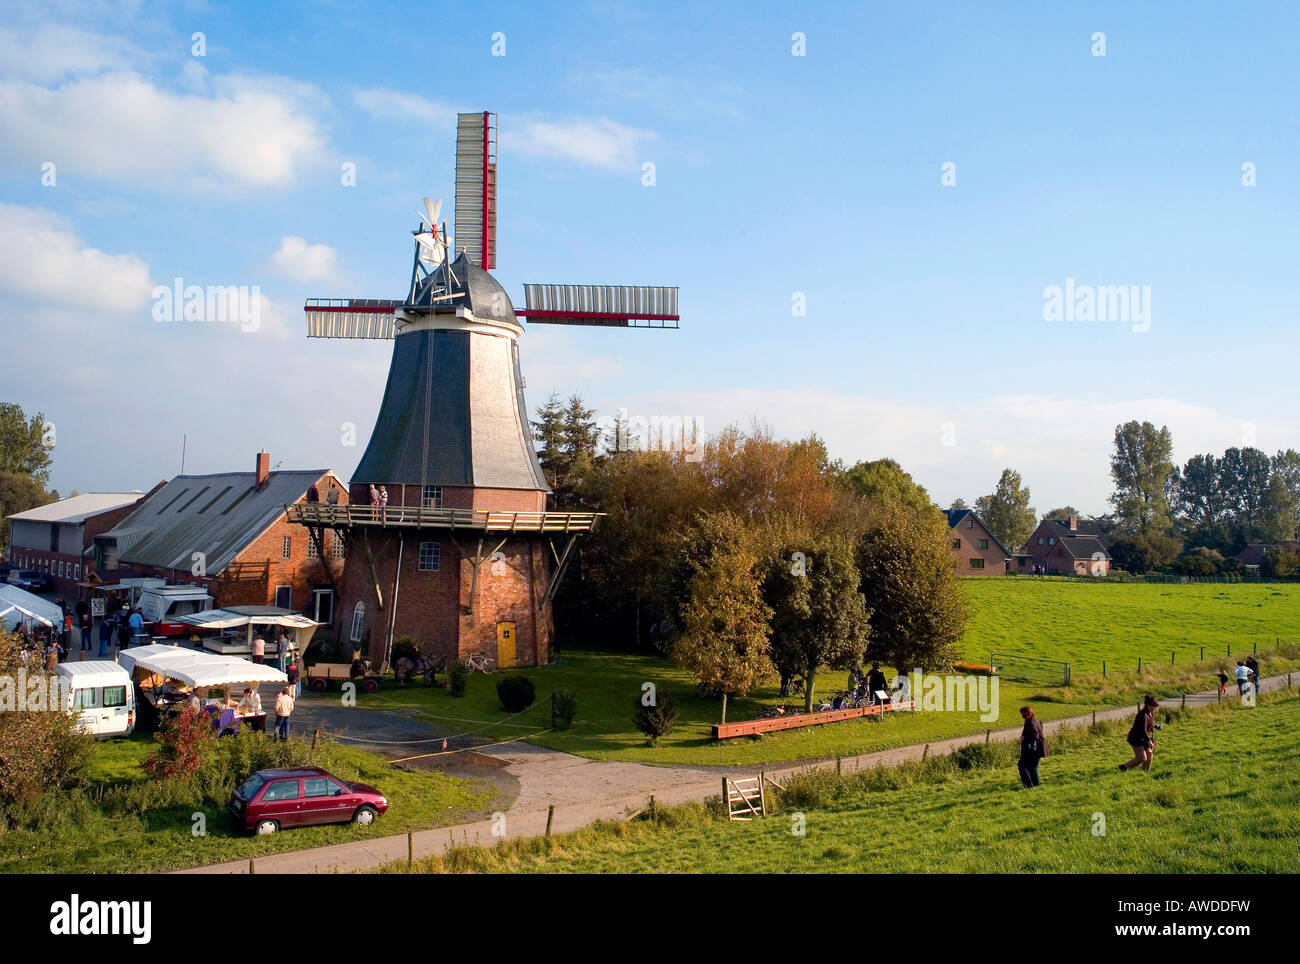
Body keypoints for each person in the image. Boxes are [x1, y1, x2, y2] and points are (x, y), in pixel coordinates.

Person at [1118, 694, 1162, 773]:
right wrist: (1149, 741)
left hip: (1143, 737)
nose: (1155, 709)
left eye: (1156, 707)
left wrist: (1155, 726)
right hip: (1136, 738)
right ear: (1148, 705)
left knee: (1150, 755)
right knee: (1142, 758)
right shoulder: (1143, 715)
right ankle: (1123, 767)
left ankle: (1144, 773)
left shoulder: (1150, 713)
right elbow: (1143, 730)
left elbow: (1149, 724)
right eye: (1153, 707)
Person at [1018, 706, 1047, 788]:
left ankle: (1029, 785)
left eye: (1023, 713)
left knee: (1023, 765)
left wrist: (1024, 738)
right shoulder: (1032, 720)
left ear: (1027, 712)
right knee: (1032, 768)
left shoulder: (1031, 722)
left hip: (1033, 750)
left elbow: (1035, 735)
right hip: (1036, 749)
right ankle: (1035, 786)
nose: (1022, 715)